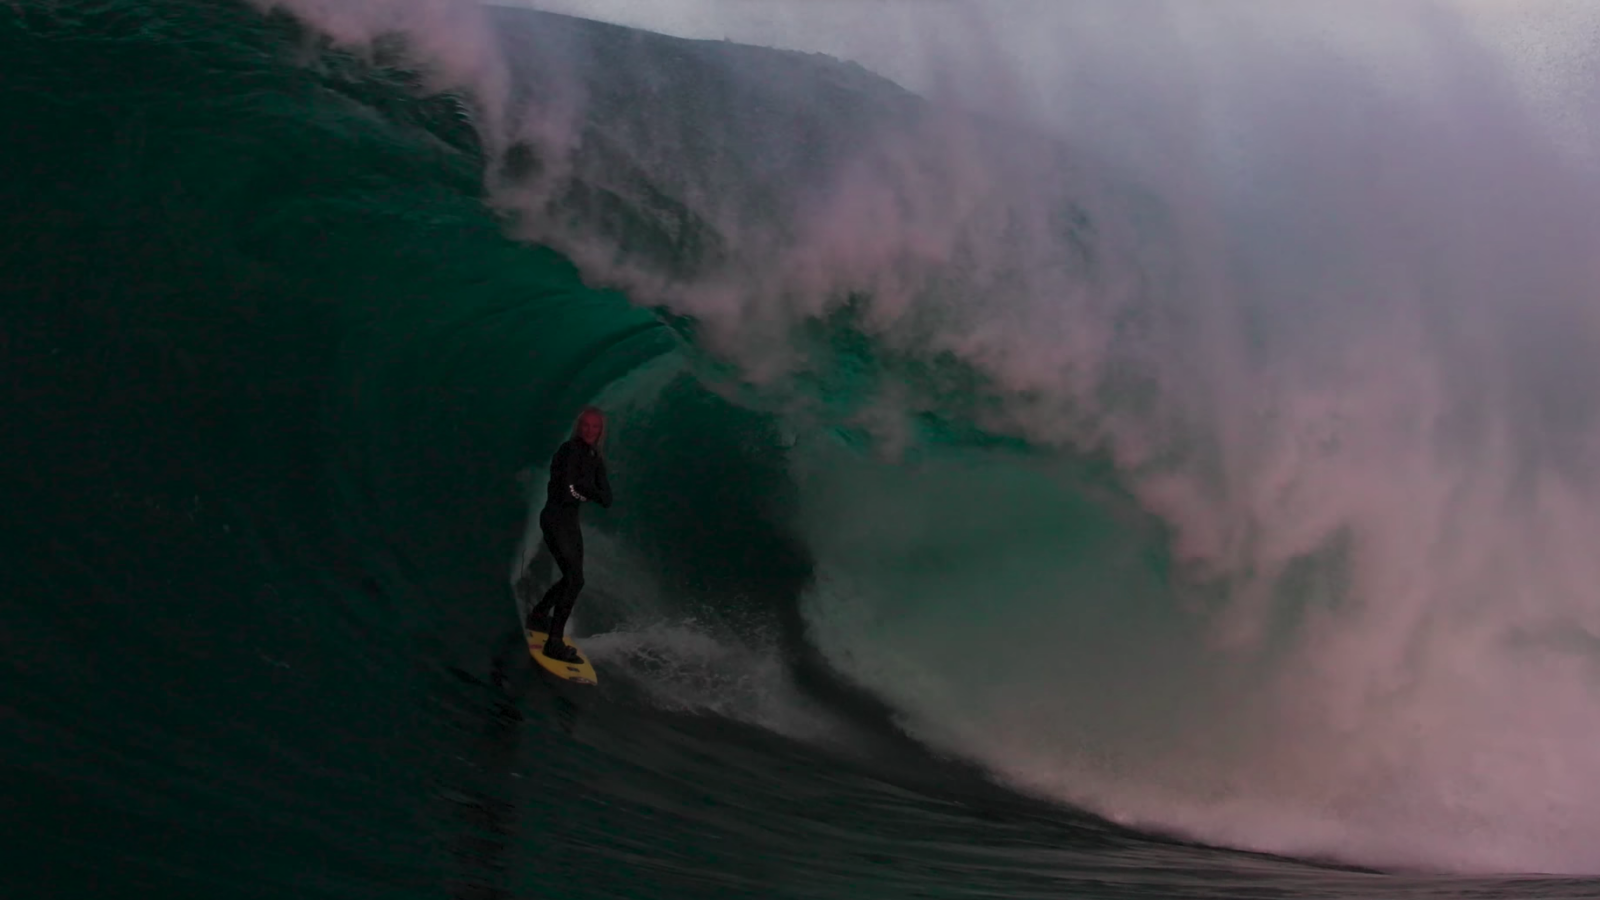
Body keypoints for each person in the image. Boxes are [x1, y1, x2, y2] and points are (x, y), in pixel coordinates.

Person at [521, 406, 612, 663]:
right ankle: (554, 643)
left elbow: (607, 499)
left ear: (601, 430)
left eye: (595, 427)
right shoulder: (569, 450)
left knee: (573, 578)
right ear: (578, 426)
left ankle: (538, 616)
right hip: (554, 520)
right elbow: (569, 490)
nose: (590, 430)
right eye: (586, 425)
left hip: (570, 523)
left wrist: (589, 490)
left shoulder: (595, 457)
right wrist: (589, 491)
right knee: (574, 579)